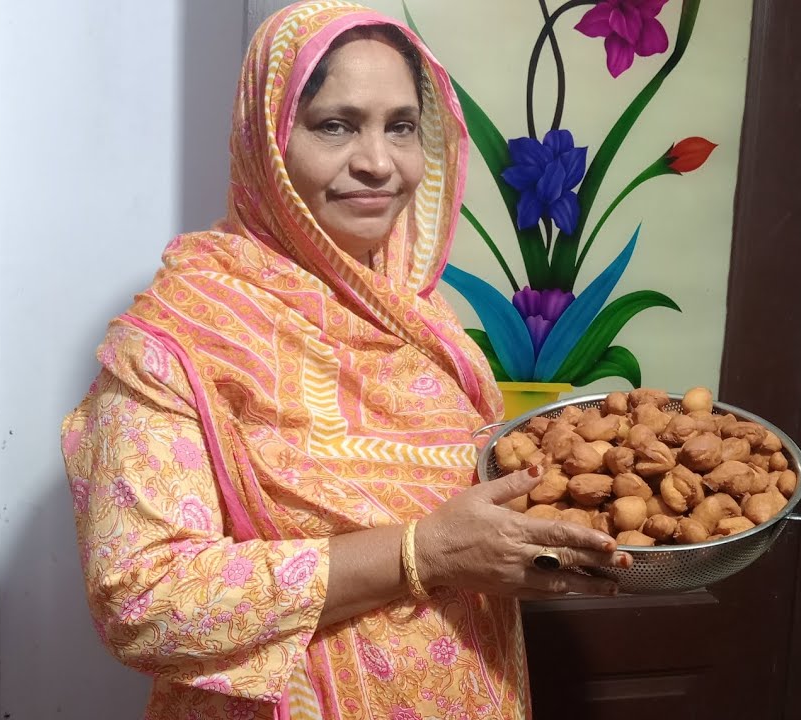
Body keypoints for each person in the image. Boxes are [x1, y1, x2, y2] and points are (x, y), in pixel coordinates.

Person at [59, 3, 630, 718]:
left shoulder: (421, 324)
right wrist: (419, 555)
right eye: (336, 125)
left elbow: (471, 526)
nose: (378, 162)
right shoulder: (177, 341)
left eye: (400, 126)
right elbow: (142, 600)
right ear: (265, 141)